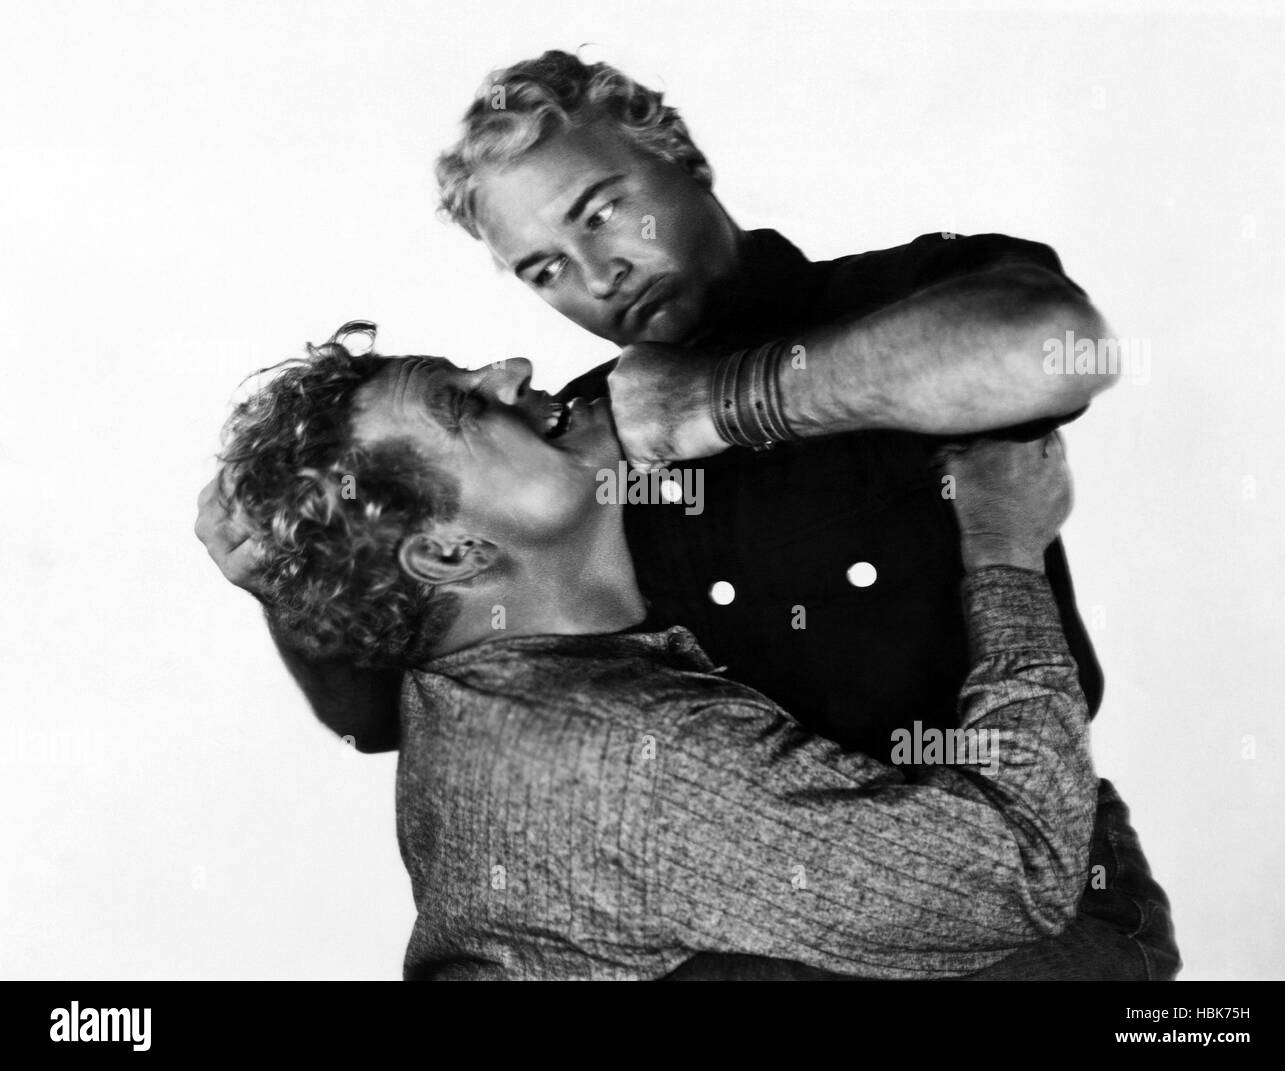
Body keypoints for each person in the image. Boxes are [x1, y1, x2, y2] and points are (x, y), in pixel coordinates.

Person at [196, 51, 1178, 979]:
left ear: (681, 158)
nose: (597, 274)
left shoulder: (906, 298)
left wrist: (720, 403)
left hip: (1013, 884)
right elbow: (398, 700)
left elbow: (1058, 350)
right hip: (750, 922)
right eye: (543, 268)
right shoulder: (568, 448)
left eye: (603, 211)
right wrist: (284, 573)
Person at [217, 329, 1095, 980]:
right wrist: (1003, 545)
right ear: (451, 554)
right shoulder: (630, 764)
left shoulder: (452, 675)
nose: (512, 369)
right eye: (467, 405)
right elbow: (1020, 875)